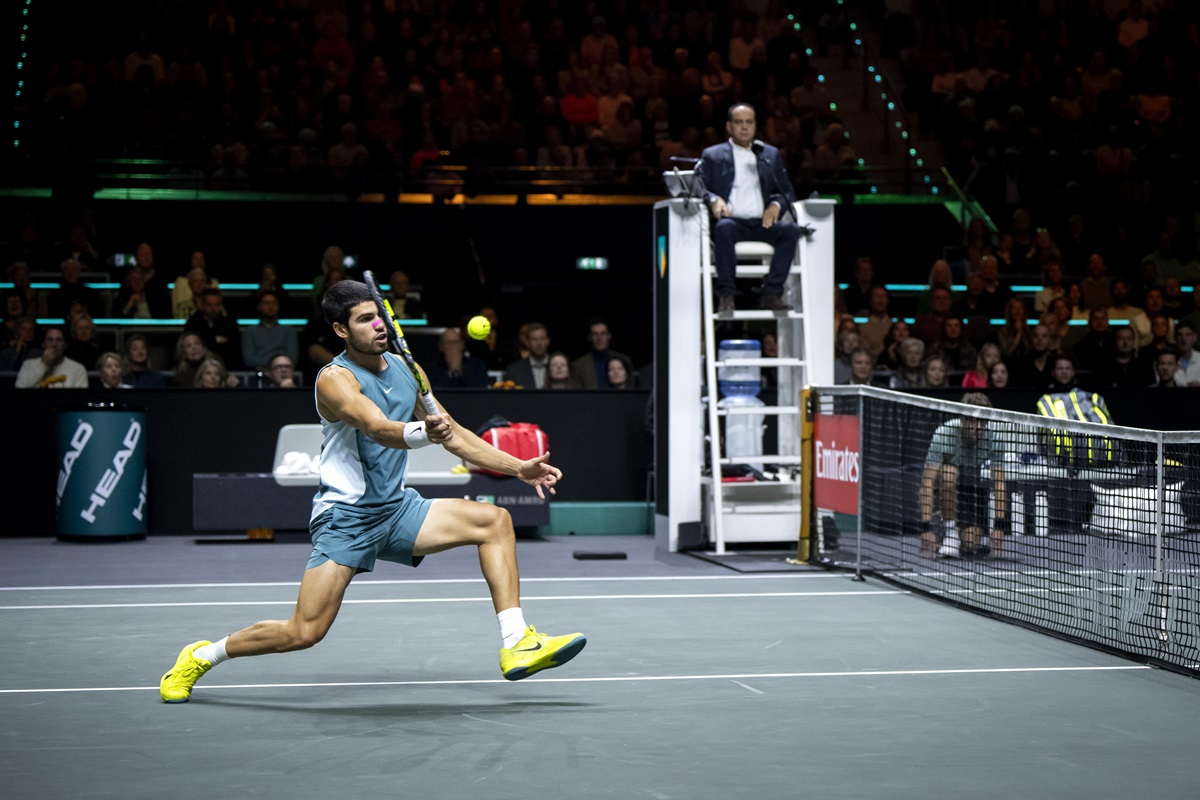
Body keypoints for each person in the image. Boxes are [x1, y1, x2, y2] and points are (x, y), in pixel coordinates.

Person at [159, 280, 585, 703]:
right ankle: (202, 655)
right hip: (346, 518)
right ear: (341, 330)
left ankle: (516, 641)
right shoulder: (335, 380)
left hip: (397, 510)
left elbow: (453, 434)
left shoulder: (406, 369)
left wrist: (519, 469)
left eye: (379, 316)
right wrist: (422, 431)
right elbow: (377, 427)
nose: (379, 326)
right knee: (304, 632)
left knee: (495, 521)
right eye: (365, 320)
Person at [697, 103, 800, 313]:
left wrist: (775, 204)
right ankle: (726, 295)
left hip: (763, 223)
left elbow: (787, 191)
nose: (744, 127)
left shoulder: (769, 154)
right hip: (732, 222)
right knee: (723, 228)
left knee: (790, 231)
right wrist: (714, 199)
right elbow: (698, 187)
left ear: (755, 125)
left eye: (749, 122)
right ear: (729, 126)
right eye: (739, 122)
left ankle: (772, 293)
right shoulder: (713, 155)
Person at [918, 392, 1009, 559]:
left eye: (983, 421)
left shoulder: (994, 437)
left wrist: (999, 526)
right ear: (963, 419)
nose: (979, 427)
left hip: (972, 491)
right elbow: (927, 482)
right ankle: (950, 531)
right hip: (945, 489)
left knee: (971, 544)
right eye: (973, 420)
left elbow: (999, 482)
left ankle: (954, 533)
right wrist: (925, 527)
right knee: (949, 473)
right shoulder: (944, 433)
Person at [184, 287, 242, 368]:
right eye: (209, 304)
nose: (213, 308)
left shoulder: (230, 324)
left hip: (225, 368)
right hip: (197, 368)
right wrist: (216, 341)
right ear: (203, 305)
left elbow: (235, 350)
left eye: (216, 304)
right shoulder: (192, 324)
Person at [241, 290, 299, 370]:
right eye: (266, 303)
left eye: (274, 303)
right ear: (259, 307)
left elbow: (292, 359)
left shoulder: (289, 331)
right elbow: (248, 360)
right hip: (258, 374)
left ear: (278, 306)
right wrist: (276, 364)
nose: (270, 306)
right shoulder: (249, 331)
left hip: (283, 372)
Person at [15, 328, 88, 389]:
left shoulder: (78, 369)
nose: (54, 344)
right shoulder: (28, 365)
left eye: (59, 340)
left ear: (65, 345)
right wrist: (43, 364)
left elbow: (79, 399)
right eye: (50, 340)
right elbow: (20, 394)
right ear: (43, 344)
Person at [569, 317, 631, 388]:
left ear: (609, 336)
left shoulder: (624, 360)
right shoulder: (578, 366)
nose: (599, 337)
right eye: (595, 334)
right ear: (589, 337)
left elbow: (631, 390)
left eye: (603, 333)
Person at [426, 326, 490, 388]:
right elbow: (433, 392)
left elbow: (479, 389)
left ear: (462, 345)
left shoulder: (477, 366)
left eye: (455, 342)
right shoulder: (431, 370)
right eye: (448, 343)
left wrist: (458, 372)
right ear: (441, 347)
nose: (452, 347)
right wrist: (452, 371)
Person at [503, 322, 551, 389]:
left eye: (542, 338)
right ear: (527, 342)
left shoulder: (560, 367)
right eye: (534, 339)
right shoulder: (514, 370)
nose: (539, 343)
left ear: (548, 341)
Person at [1173, 321, 1200, 386]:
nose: (1184, 339)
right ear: (1175, 338)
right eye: (1180, 335)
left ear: (1194, 337)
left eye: (1188, 335)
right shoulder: (1168, 361)